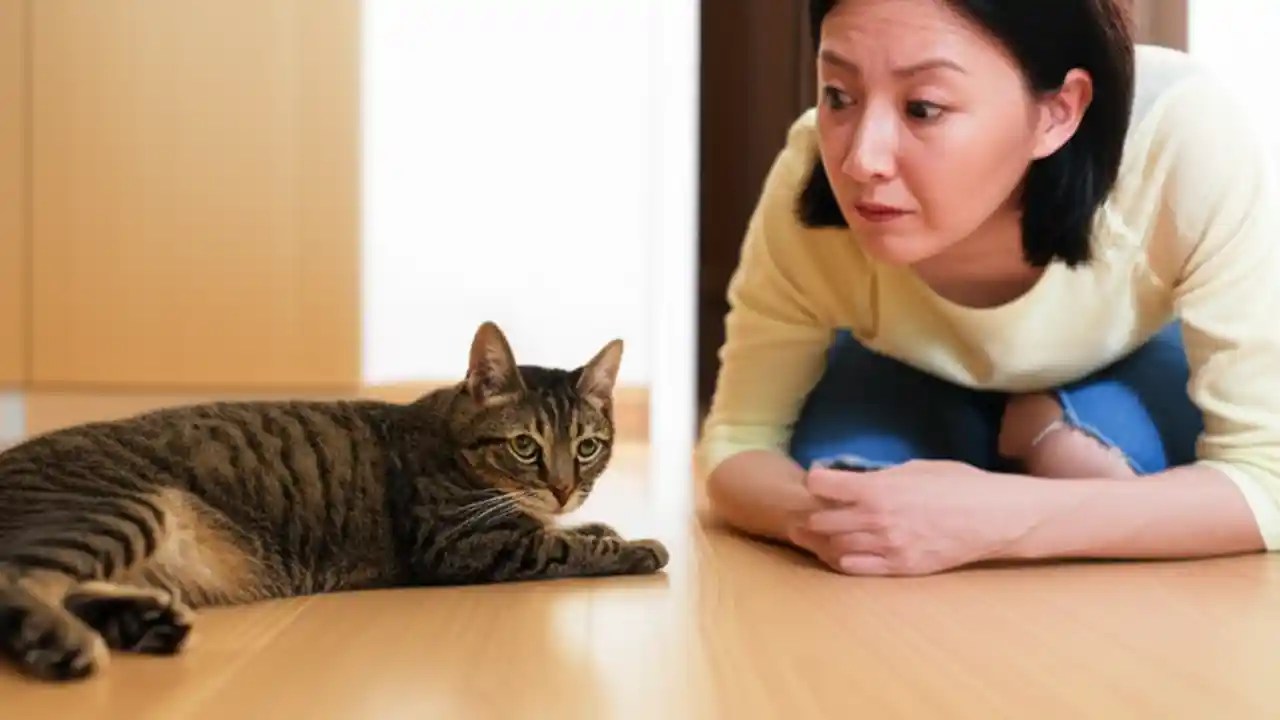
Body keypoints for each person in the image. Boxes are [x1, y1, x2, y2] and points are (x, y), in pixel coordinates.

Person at [697, 0, 1280, 576]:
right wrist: (835, 520)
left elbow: (1266, 481)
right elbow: (739, 443)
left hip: (1129, 361)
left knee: (1111, 448)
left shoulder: (1181, 137)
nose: (860, 160)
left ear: (1058, 112)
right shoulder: (811, 172)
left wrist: (998, 520)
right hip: (905, 376)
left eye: (923, 108)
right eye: (839, 96)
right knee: (844, 469)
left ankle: (1046, 427)